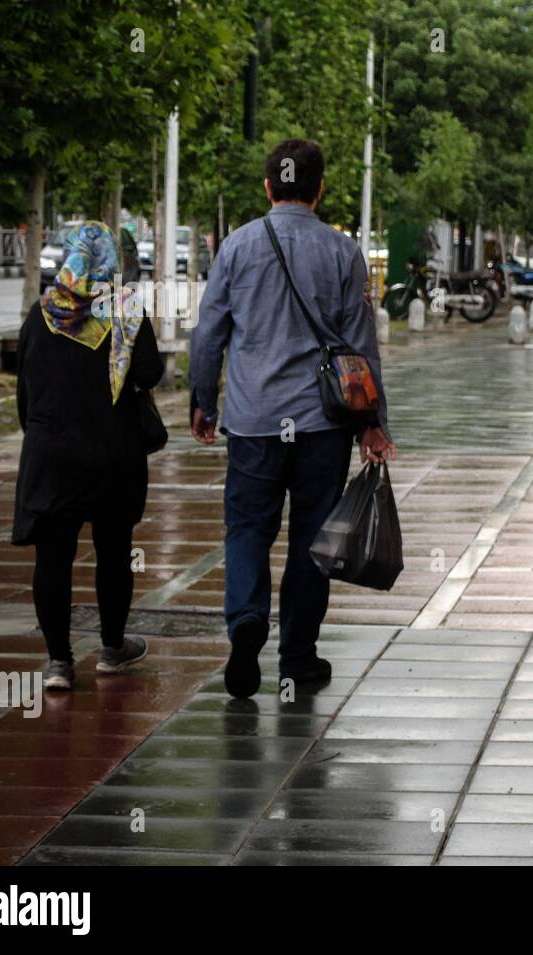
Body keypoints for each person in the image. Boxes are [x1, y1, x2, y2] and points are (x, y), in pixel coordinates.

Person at [189, 138, 395, 700]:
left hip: (253, 422)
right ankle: (297, 656)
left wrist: (204, 402)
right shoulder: (341, 252)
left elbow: (208, 334)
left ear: (267, 187)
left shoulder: (236, 247)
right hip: (322, 425)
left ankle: (246, 622)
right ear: (319, 189)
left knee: (248, 529)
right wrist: (373, 423)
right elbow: (361, 346)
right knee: (312, 539)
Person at [14, 221, 162, 691]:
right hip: (111, 454)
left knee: (53, 557)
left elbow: (26, 393)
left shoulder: (41, 315)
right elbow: (151, 372)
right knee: (113, 553)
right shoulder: (125, 312)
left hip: (52, 453)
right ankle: (112, 648)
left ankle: (59, 661)